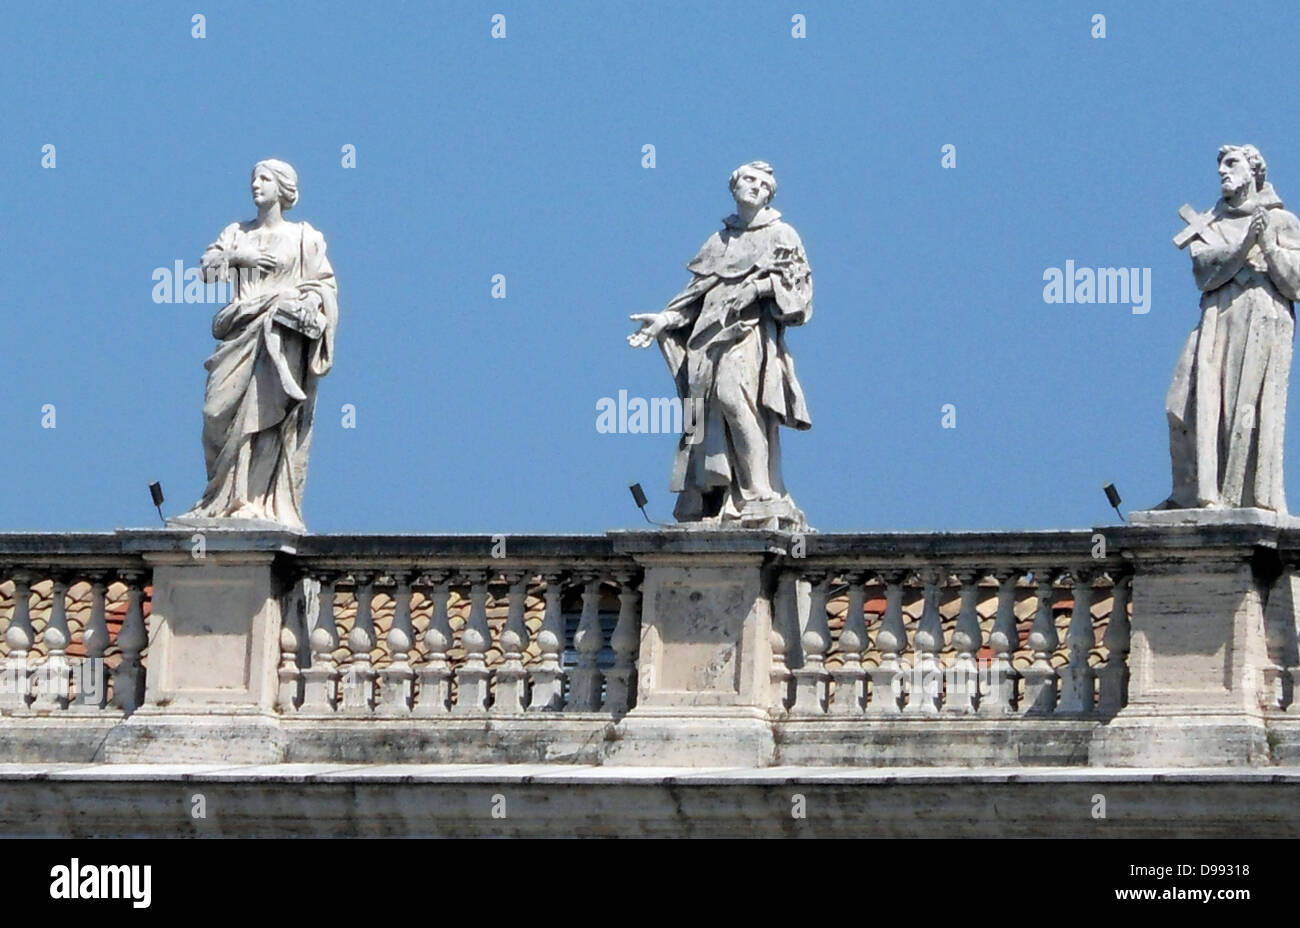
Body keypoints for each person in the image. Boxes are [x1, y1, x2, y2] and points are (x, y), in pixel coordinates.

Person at [628, 161, 812, 527]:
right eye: (749, 179)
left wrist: (757, 289)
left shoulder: (782, 235)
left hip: (748, 336)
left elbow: (799, 292)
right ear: (734, 186)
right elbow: (696, 298)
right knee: (708, 413)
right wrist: (665, 320)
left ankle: (759, 490)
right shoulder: (719, 241)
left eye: (764, 184)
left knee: (734, 398)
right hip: (706, 341)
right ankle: (724, 496)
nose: (756, 187)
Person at [178, 159, 339, 531]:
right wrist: (238, 257)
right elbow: (206, 271)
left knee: (267, 417)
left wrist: (307, 305)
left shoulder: (304, 237)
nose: (256, 185)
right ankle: (221, 497)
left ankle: (254, 502)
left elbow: (323, 288)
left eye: (264, 179)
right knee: (216, 413)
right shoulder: (237, 233)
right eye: (253, 179)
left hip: (280, 339)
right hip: (240, 332)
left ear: (282, 188)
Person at [1164, 145, 1300, 512]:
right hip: (1216, 319)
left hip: (1262, 317)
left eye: (1231, 163)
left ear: (1254, 171)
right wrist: (1244, 246)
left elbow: (1297, 284)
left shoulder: (1283, 221)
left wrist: (1268, 248)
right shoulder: (1207, 224)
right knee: (1183, 404)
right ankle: (1195, 492)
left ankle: (1243, 497)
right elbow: (1205, 274)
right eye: (1220, 165)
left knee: (1246, 409)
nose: (1222, 171)